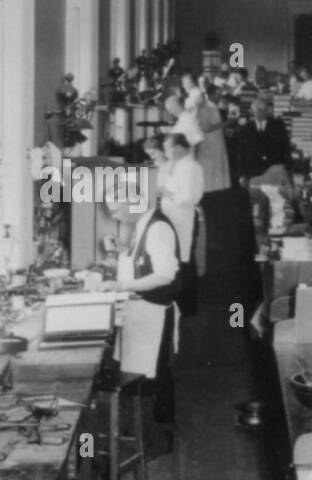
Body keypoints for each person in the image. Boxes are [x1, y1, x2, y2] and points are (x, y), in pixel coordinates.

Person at [100, 171, 181, 427]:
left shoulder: (157, 228)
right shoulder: (143, 224)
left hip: (153, 314)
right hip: (143, 313)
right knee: (143, 376)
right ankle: (147, 435)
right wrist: (123, 254)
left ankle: (155, 441)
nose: (113, 216)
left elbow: (165, 275)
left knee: (152, 378)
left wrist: (123, 284)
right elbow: (145, 261)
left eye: (115, 210)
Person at [156, 133, 204, 316]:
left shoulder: (192, 167)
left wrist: (166, 193)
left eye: (167, 149)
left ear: (177, 148)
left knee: (184, 259)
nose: (165, 153)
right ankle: (179, 303)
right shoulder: (174, 165)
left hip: (182, 217)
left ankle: (188, 308)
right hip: (171, 216)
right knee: (175, 257)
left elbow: (189, 197)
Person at [237, 97, 291, 186]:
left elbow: (286, 148)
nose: (262, 113)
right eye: (259, 110)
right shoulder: (245, 128)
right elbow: (241, 152)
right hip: (253, 173)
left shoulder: (278, 125)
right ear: (253, 112)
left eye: (264, 110)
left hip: (274, 172)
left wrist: (287, 168)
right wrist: (242, 174)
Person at [186, 88, 231, 193]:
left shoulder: (214, 107)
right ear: (211, 95)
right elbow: (206, 127)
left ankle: (216, 191)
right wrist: (227, 123)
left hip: (217, 143)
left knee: (217, 169)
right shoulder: (202, 109)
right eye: (217, 94)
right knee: (208, 170)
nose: (220, 96)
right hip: (208, 144)